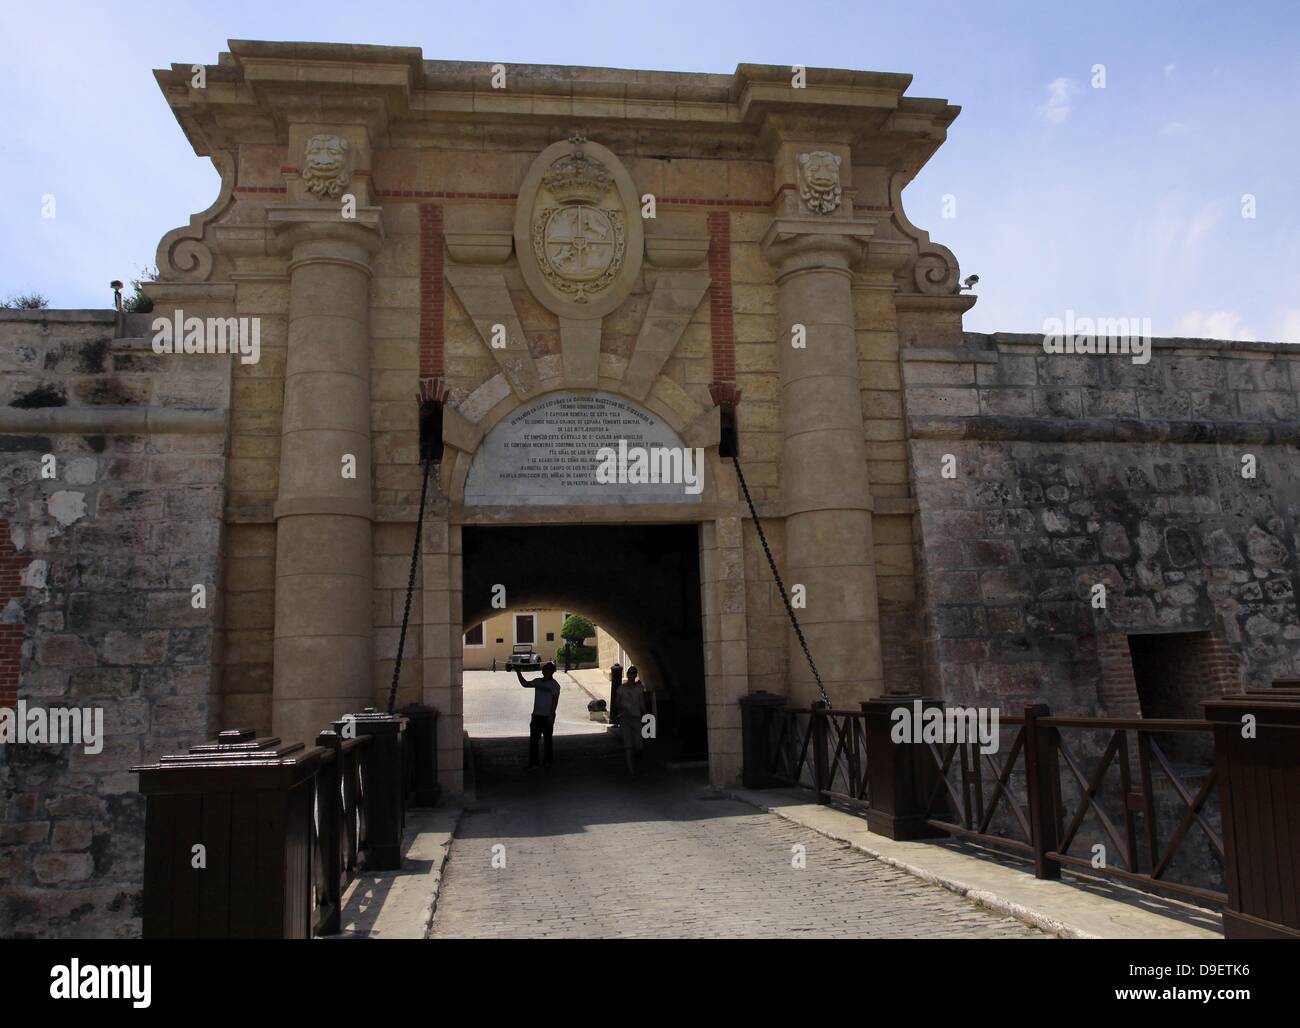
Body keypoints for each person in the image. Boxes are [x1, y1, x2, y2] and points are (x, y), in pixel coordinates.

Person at [517, 661, 560, 769]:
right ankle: (534, 762)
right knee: (533, 741)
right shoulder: (537, 682)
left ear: (552, 672)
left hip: (547, 716)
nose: (546, 671)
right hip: (536, 715)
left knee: (548, 740)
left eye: (549, 670)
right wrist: (518, 673)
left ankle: (548, 761)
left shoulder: (555, 685)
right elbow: (525, 684)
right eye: (545, 669)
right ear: (543, 671)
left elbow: (555, 702)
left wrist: (552, 716)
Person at [617, 665, 647, 777]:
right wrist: (622, 710)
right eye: (629, 673)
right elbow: (617, 702)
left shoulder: (639, 689)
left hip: (636, 718)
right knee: (628, 746)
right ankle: (631, 770)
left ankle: (636, 763)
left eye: (633, 673)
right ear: (627, 675)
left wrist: (646, 715)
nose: (631, 675)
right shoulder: (621, 689)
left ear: (635, 675)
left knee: (639, 745)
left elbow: (641, 702)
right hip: (625, 718)